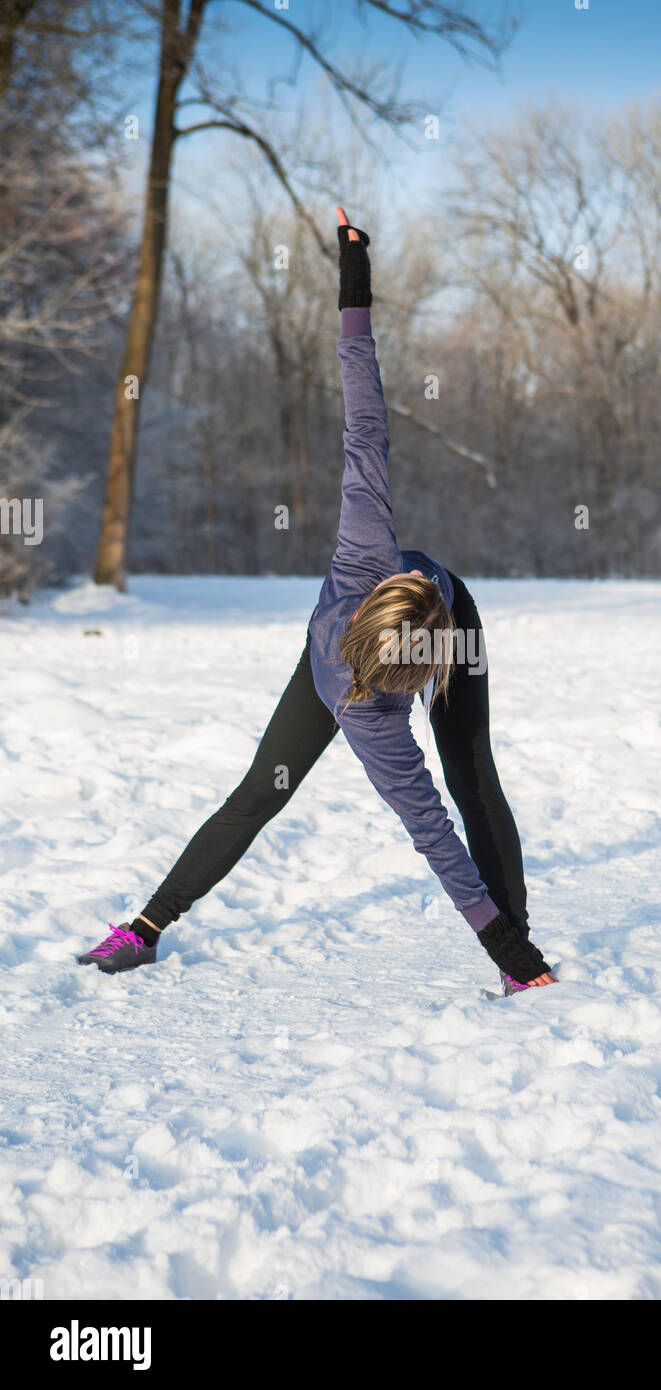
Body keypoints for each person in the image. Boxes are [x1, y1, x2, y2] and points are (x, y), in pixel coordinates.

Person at [78, 208, 555, 997]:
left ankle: (522, 950)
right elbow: (426, 829)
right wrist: (350, 273)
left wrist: (355, 279)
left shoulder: (395, 584)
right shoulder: (369, 694)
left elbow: (365, 419)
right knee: (263, 787)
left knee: (470, 772)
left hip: (443, 619)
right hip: (345, 657)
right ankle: (145, 927)